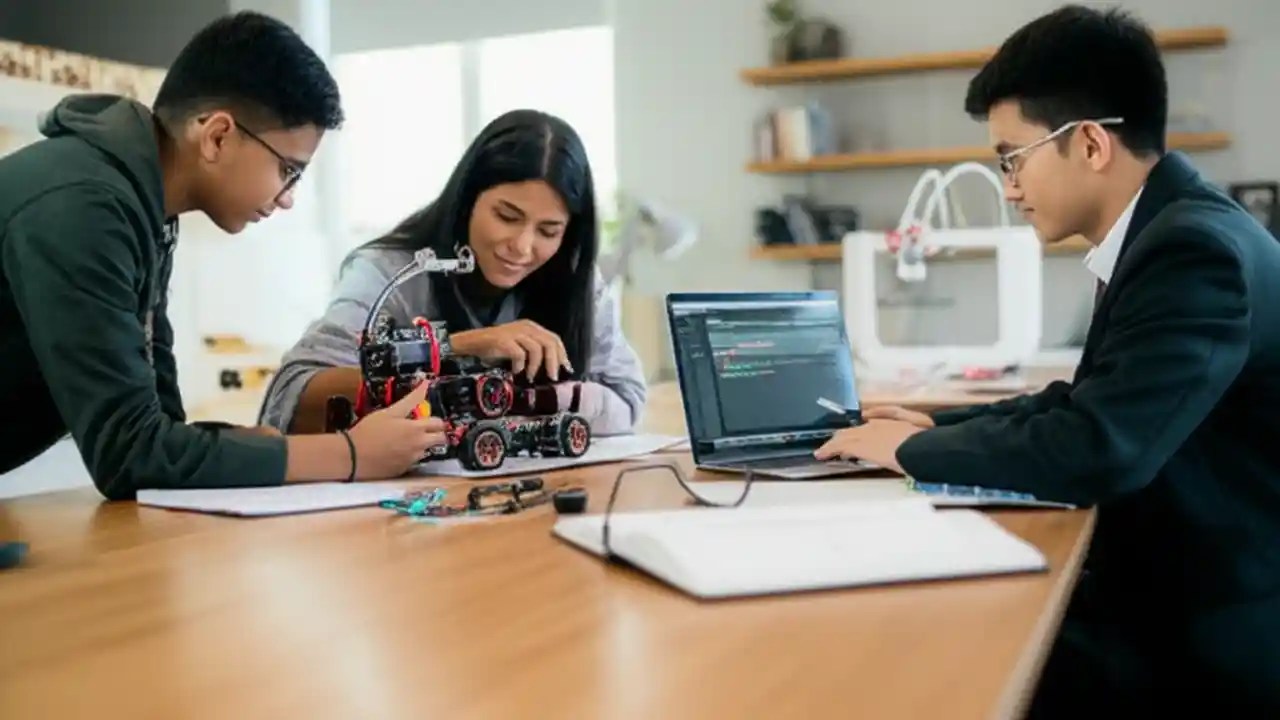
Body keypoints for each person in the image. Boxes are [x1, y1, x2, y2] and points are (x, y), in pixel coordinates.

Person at [815, 5, 1280, 715]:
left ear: (1090, 143)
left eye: (1012, 158)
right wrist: (933, 425)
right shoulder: (1177, 226)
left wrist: (909, 452)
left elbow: (1100, 447)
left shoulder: (1191, 251)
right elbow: (1087, 402)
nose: (1008, 187)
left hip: (1209, 632)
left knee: (932, 657)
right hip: (1186, 588)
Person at [0, 12, 446, 500]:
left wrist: (253, 450)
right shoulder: (84, 206)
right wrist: (350, 454)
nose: (287, 198)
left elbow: (159, 423)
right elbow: (129, 455)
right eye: (288, 170)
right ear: (217, 136)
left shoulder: (143, 208)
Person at [259, 109, 646, 437]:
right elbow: (292, 398)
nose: (522, 246)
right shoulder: (390, 273)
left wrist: (528, 401)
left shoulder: (574, 280)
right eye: (507, 216)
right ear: (467, 199)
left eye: (548, 231)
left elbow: (627, 400)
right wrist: (455, 347)